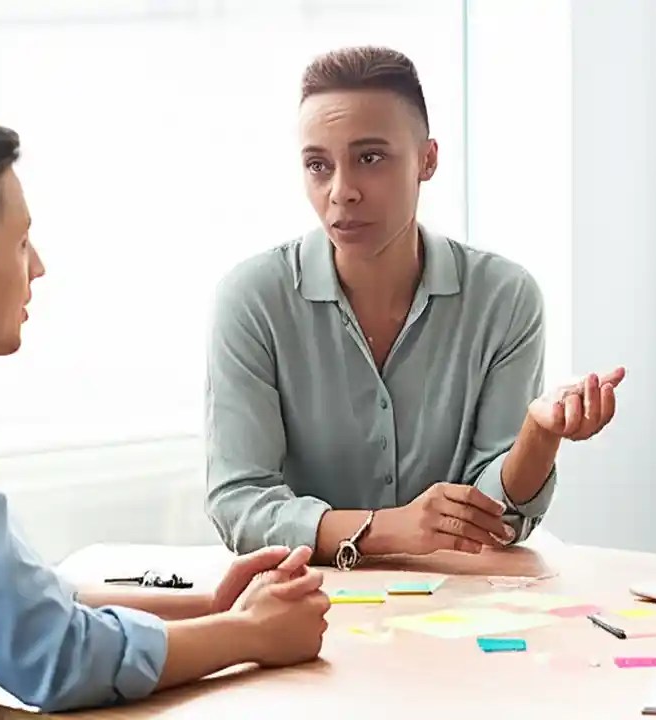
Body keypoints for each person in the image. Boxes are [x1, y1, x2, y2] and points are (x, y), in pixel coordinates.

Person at [0, 121, 330, 720]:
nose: (39, 267)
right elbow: (49, 654)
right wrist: (250, 636)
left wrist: (212, 606)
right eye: (22, 243)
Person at [205, 46, 624, 566]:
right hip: (302, 603)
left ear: (428, 159)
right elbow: (239, 501)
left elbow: (495, 522)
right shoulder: (253, 300)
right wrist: (385, 529)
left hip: (459, 604)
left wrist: (538, 435)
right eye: (318, 165)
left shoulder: (505, 298)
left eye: (370, 158)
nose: (342, 191)